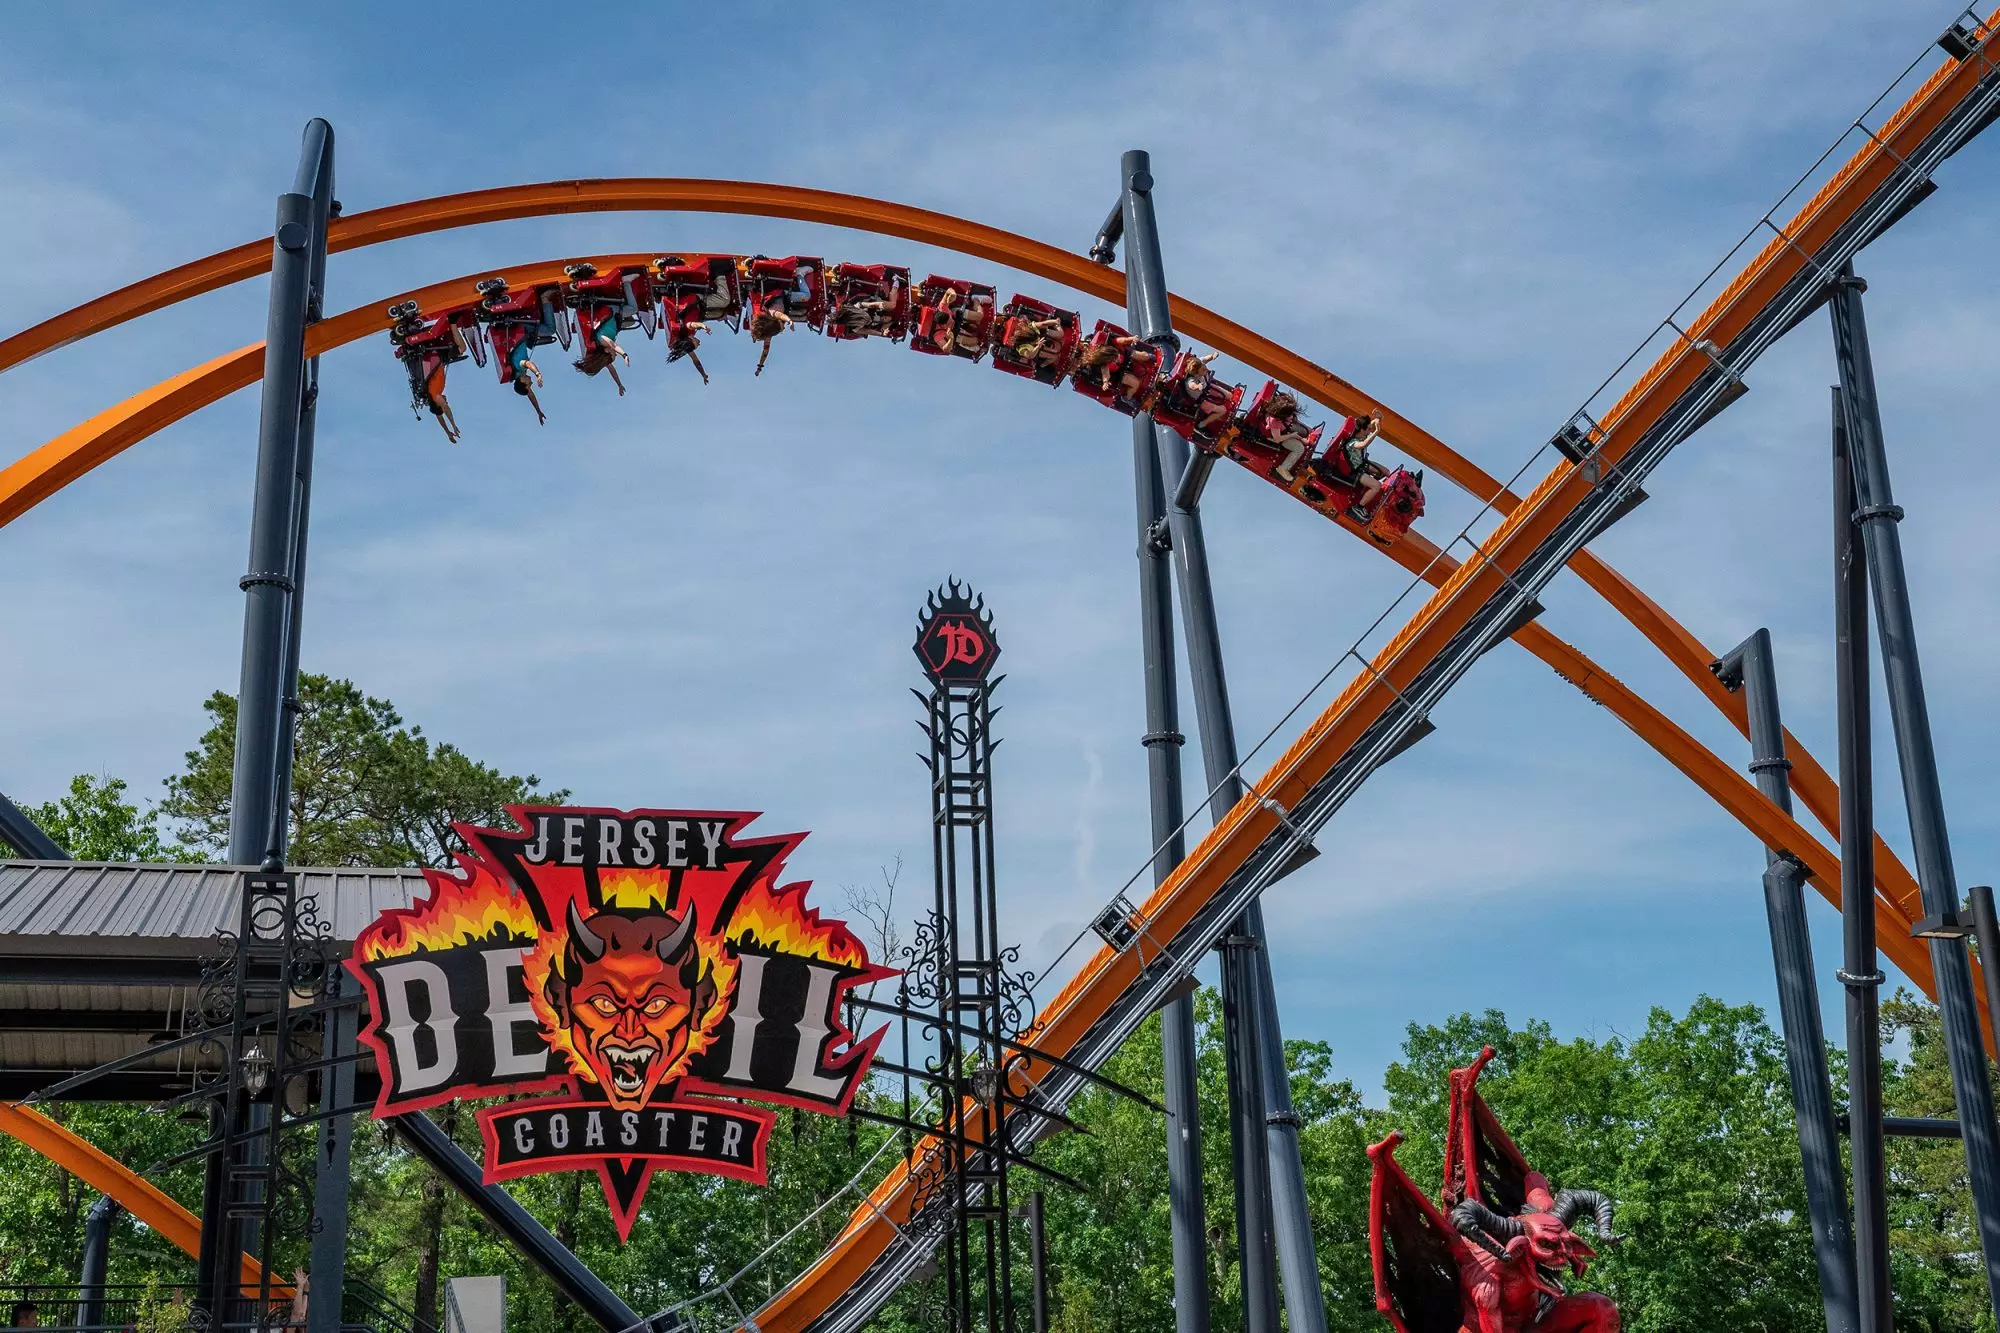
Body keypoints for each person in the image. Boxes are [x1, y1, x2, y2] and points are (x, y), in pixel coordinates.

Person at [1317, 409, 1386, 517]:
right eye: (1368, 429)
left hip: (1361, 464)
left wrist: (1378, 418)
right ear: (1362, 430)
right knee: (1377, 486)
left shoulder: (1361, 434)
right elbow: (1363, 445)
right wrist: (1376, 432)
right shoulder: (1353, 442)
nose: (1370, 431)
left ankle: (1372, 492)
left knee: (1386, 472)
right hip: (1354, 471)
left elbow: (1370, 425)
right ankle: (1358, 507)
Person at [571, 307, 628, 395]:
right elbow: (612, 371)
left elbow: (614, 345)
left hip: (612, 310)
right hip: (615, 317)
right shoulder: (603, 348)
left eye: (614, 355)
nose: (616, 355)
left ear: (607, 352)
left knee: (633, 308)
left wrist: (624, 355)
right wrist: (619, 384)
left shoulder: (602, 340)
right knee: (630, 320)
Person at [502, 325, 547, 425]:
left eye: (529, 384)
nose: (531, 383)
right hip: (521, 334)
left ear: (522, 381)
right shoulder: (518, 374)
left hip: (521, 328)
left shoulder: (519, 367)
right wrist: (538, 411)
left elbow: (529, 363)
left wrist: (538, 374)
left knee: (550, 329)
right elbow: (530, 395)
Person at [749, 298, 792, 376]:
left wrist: (789, 321)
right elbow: (765, 352)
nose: (783, 329)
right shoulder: (768, 334)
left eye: (780, 329)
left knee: (806, 296)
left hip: (778, 297)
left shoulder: (772, 314)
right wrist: (760, 367)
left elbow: (779, 315)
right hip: (777, 303)